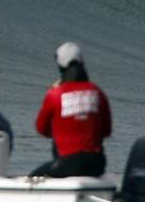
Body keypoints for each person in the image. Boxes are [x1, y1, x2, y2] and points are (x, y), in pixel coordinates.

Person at [31, 42, 112, 178]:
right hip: (97, 164)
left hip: (68, 164)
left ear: (60, 67)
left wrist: (61, 131)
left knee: (33, 177)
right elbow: (106, 131)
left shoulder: (55, 94)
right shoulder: (98, 92)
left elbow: (41, 129)